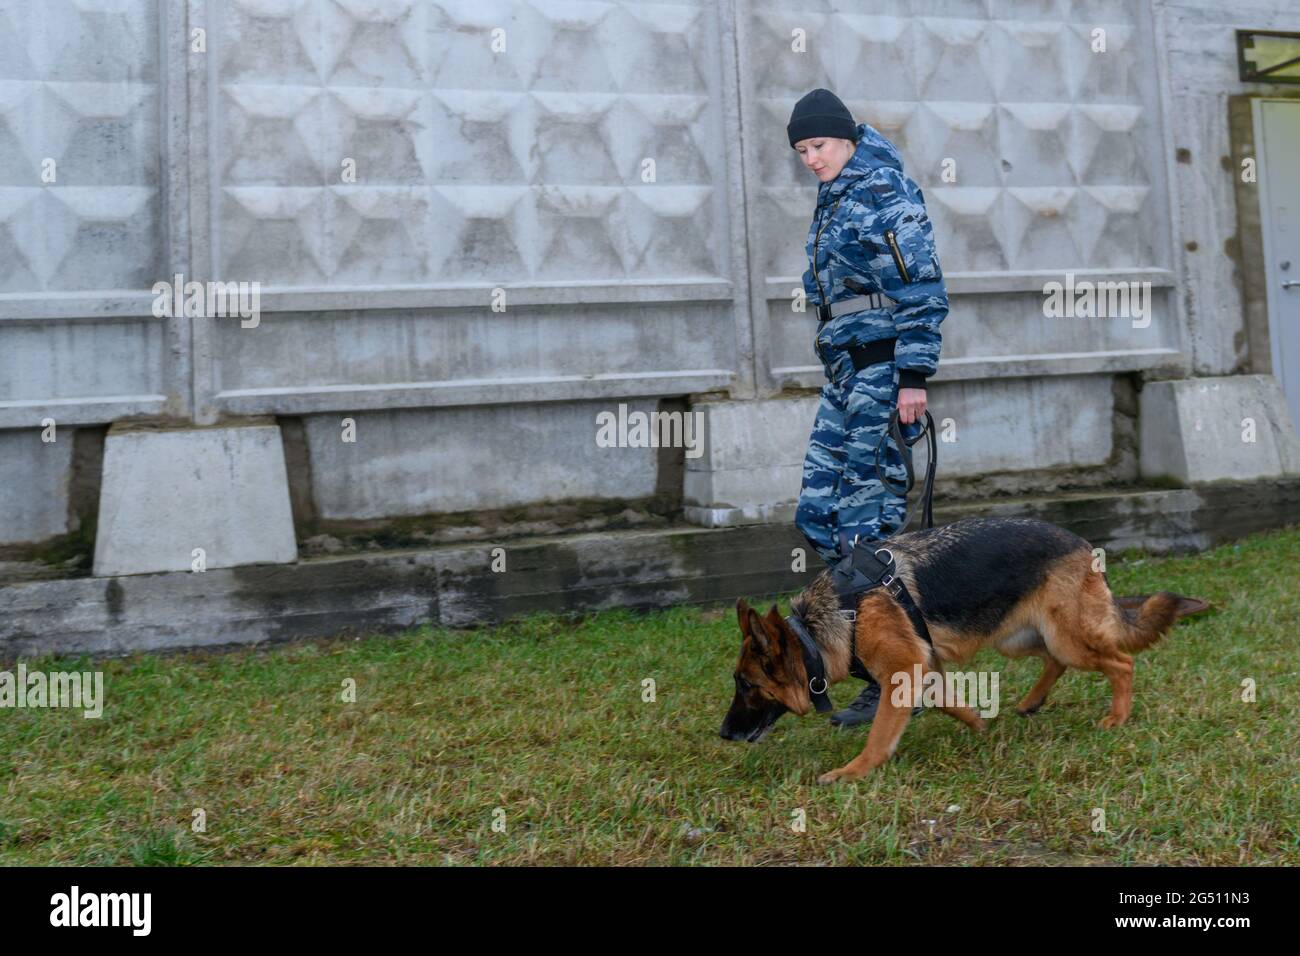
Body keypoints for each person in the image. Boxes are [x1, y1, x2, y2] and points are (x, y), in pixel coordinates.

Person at [787, 88, 949, 727]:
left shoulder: (881, 190)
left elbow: (921, 285)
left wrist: (912, 376)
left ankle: (892, 672)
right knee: (821, 513)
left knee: (869, 522)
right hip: (847, 374)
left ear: (846, 138)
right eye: (801, 150)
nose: (810, 158)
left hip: (884, 374)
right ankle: (863, 652)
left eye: (818, 145)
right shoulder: (834, 197)